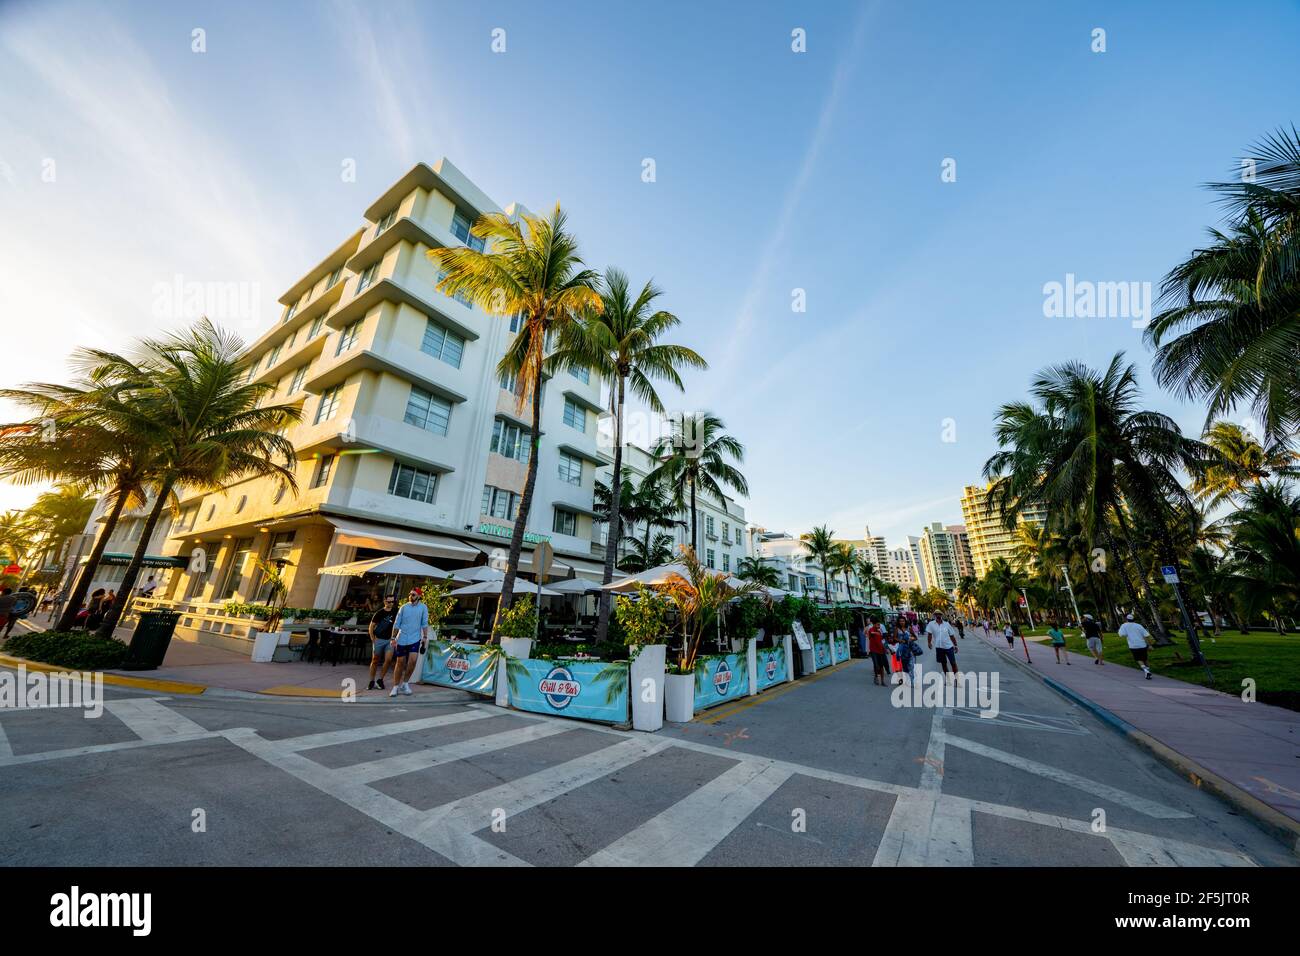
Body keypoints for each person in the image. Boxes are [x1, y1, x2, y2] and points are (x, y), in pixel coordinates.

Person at [389, 588, 429, 697]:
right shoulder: (404, 607)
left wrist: (425, 636)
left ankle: (405, 683)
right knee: (400, 663)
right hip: (402, 638)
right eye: (410, 594)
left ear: (419, 596)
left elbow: (424, 623)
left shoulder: (423, 607)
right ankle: (395, 687)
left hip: (415, 639)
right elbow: (397, 624)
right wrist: (393, 638)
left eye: (413, 595)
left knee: (413, 661)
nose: (411, 596)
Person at [367, 594, 398, 691]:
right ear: (385, 601)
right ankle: (371, 681)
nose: (391, 603)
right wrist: (372, 638)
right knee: (375, 660)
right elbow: (371, 626)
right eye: (389, 601)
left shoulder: (396, 612)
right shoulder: (379, 613)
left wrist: (395, 637)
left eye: (393, 602)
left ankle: (380, 680)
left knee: (388, 660)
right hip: (379, 639)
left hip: (390, 640)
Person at [925, 610, 960, 679]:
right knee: (943, 664)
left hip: (949, 647)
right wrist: (929, 643)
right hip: (939, 647)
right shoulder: (931, 624)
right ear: (934, 615)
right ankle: (948, 679)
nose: (938, 615)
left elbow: (952, 635)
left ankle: (956, 678)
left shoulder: (946, 624)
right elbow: (929, 634)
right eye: (936, 614)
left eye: (939, 614)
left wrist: (955, 645)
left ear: (941, 615)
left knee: (953, 663)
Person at [1118, 613, 1153, 679]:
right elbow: (1147, 636)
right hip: (1142, 645)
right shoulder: (1139, 625)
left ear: (1126, 619)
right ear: (1133, 619)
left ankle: (1146, 671)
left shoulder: (1124, 625)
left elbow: (1121, 635)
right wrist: (1150, 645)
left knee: (1139, 659)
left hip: (1133, 646)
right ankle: (1148, 671)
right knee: (1145, 659)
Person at [867, 618, 888, 686]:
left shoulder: (880, 631)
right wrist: (877, 633)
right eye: (878, 625)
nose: (879, 626)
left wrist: (885, 648)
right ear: (874, 624)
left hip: (880, 650)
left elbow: (881, 640)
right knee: (876, 665)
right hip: (873, 650)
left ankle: (882, 681)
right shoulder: (871, 629)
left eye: (879, 625)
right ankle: (876, 676)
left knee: (881, 666)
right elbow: (871, 633)